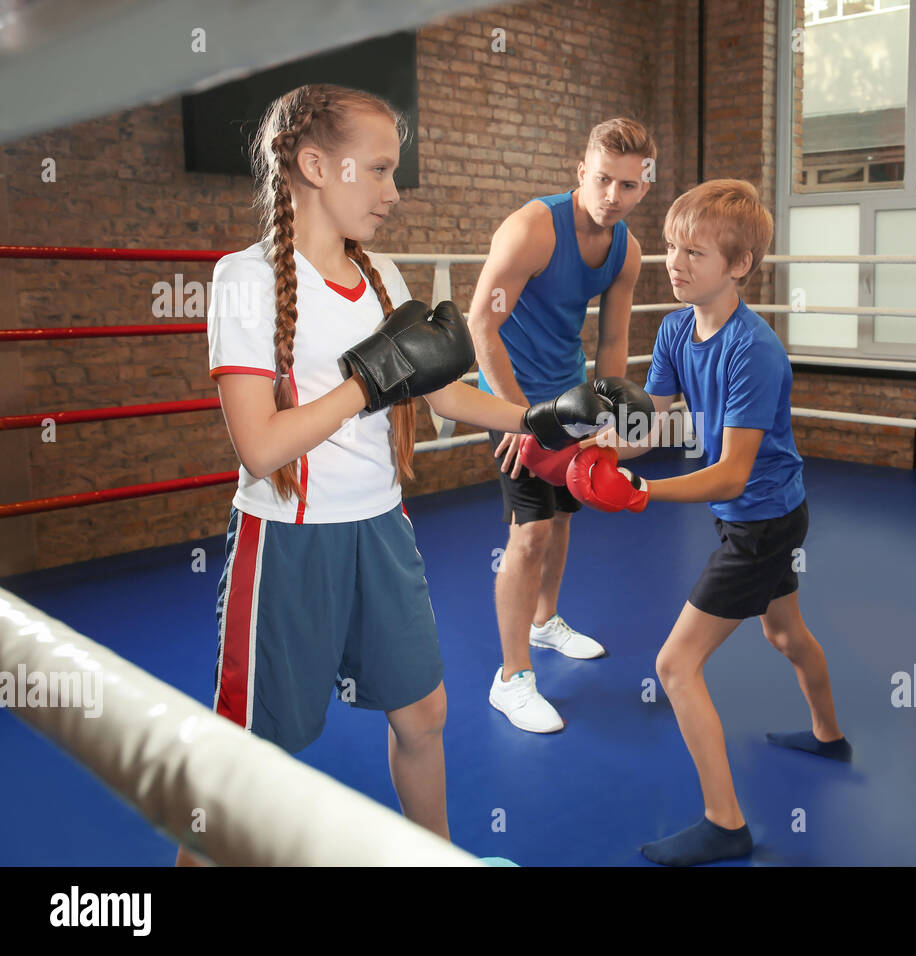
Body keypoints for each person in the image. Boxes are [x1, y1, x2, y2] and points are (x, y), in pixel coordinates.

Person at [181, 84, 608, 866]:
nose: (393, 192)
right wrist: (365, 383)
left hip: (382, 530)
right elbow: (260, 446)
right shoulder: (245, 278)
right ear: (314, 165)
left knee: (424, 715)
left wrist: (543, 414)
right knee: (253, 766)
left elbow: (437, 388)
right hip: (288, 547)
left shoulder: (381, 275)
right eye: (377, 171)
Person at [563, 179, 852, 866]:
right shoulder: (675, 329)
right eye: (670, 247)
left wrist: (640, 492)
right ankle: (829, 736)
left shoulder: (753, 351)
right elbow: (657, 422)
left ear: (740, 265)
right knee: (785, 633)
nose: (675, 262)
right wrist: (600, 445)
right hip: (757, 512)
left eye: (694, 251)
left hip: (762, 520)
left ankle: (726, 823)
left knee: (675, 664)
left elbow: (730, 473)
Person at [467, 118, 656, 733]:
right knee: (530, 533)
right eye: (603, 179)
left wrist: (606, 413)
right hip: (511, 394)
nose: (612, 196)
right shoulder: (533, 229)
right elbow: (480, 327)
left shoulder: (624, 248)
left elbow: (615, 337)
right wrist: (520, 421)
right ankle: (512, 679)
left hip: (571, 396)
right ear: (582, 172)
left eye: (628, 186)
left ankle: (546, 622)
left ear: (643, 188)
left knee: (565, 511)